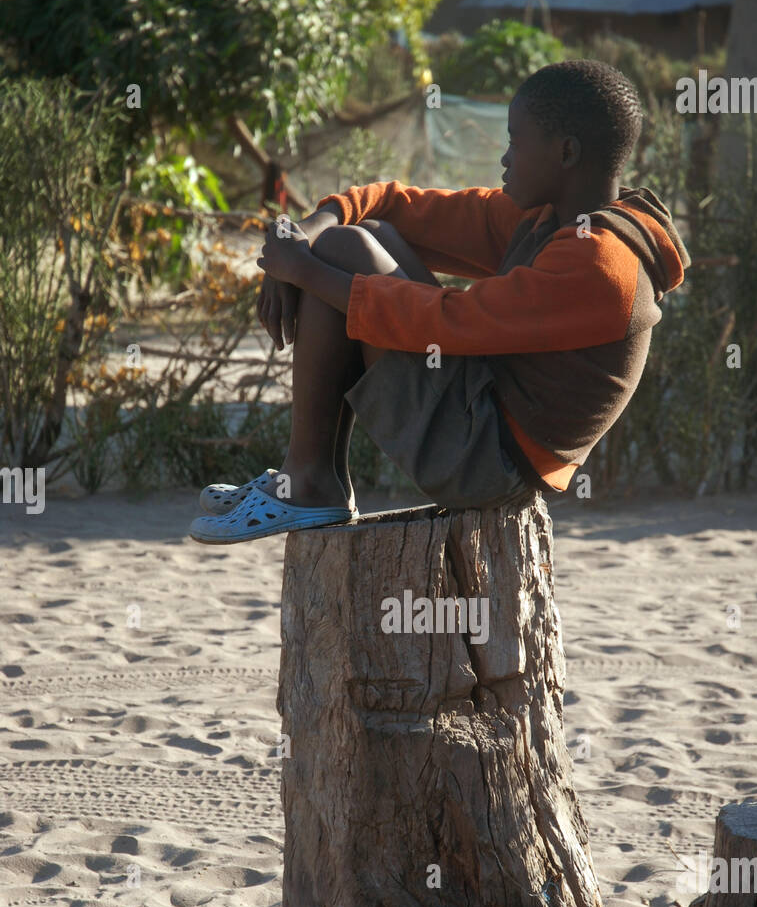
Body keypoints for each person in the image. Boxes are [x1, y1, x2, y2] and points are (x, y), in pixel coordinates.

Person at [189, 59, 690, 544]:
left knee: (344, 252)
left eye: (516, 141)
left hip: (490, 467)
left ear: (566, 153)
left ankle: (309, 483)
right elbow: (400, 207)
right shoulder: (551, 218)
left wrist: (304, 268)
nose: (505, 157)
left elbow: (450, 322)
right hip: (481, 425)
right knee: (364, 235)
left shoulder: (598, 265)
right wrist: (305, 236)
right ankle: (311, 479)